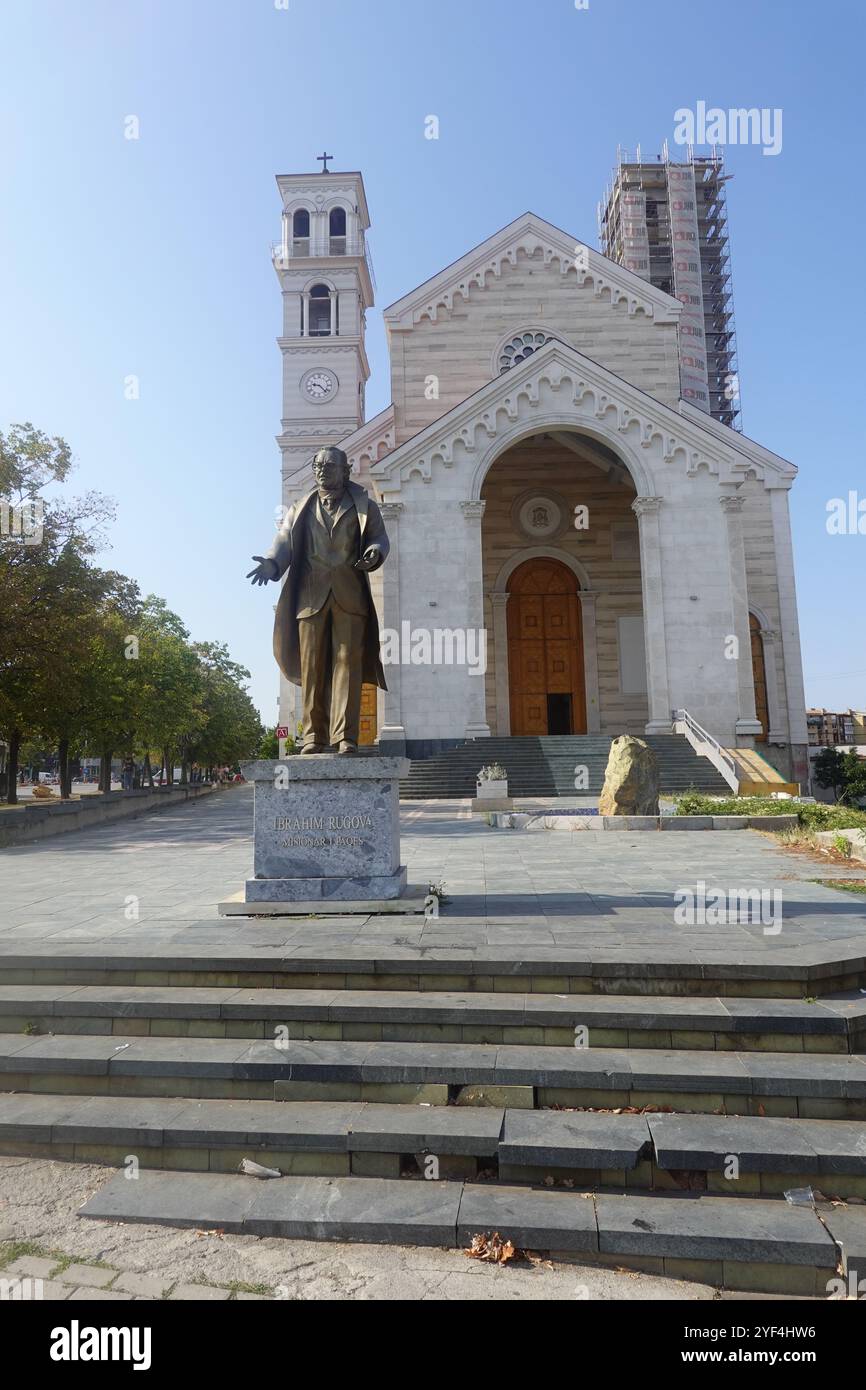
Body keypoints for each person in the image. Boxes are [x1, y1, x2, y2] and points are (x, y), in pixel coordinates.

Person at [247, 446, 390, 755]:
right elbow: (283, 542)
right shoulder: (299, 507)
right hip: (309, 600)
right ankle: (313, 736)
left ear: (346, 470)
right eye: (318, 466)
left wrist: (376, 551)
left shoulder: (364, 505)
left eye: (330, 465)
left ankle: (345, 737)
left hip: (350, 597)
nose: (323, 470)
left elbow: (379, 537)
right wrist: (271, 565)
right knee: (313, 669)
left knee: (347, 666)